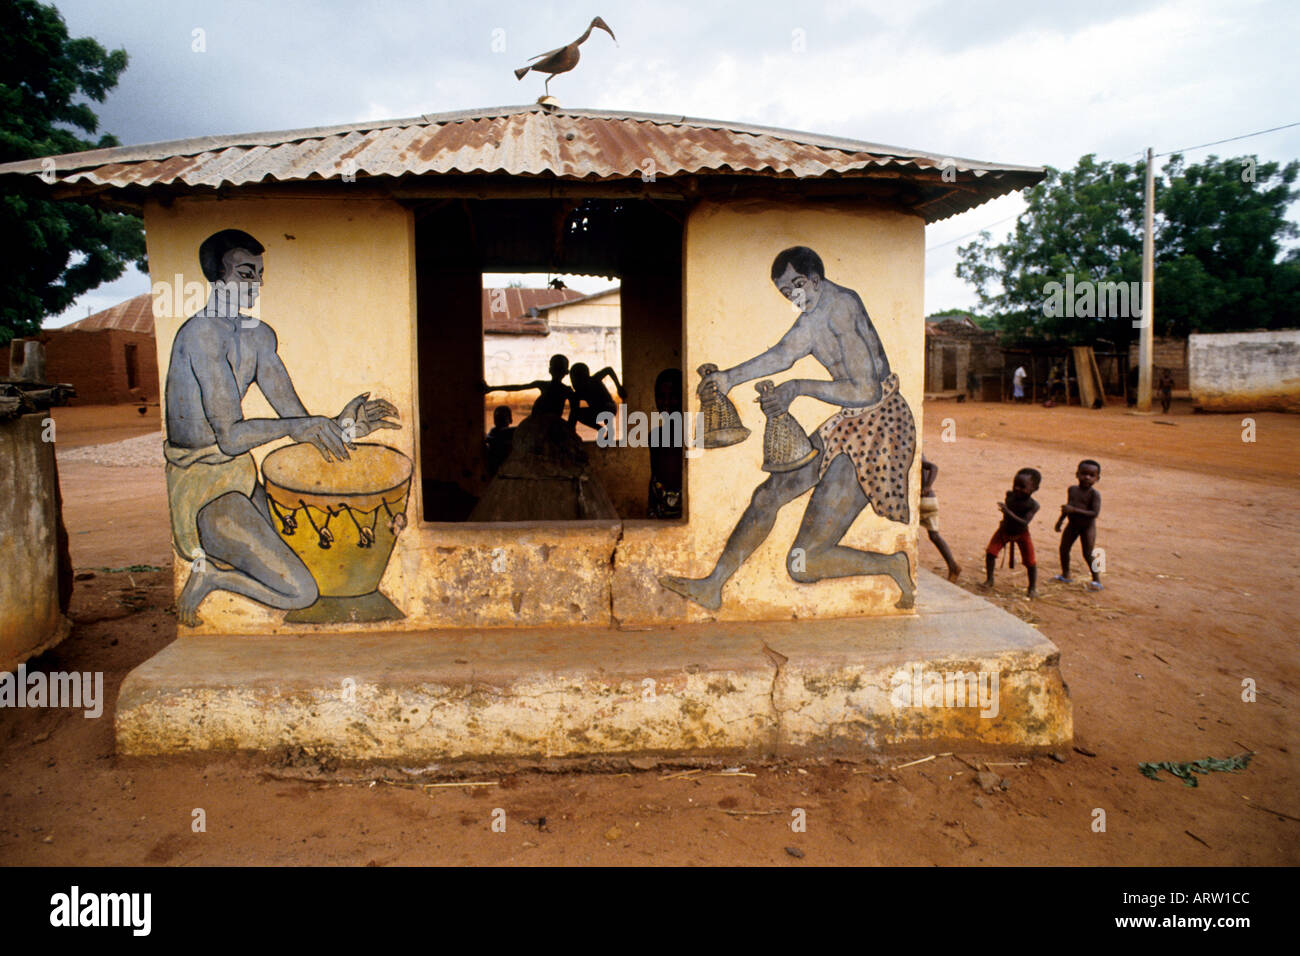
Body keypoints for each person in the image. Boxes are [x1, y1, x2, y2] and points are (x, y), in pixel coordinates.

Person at [164, 229, 400, 626]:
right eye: (245, 273)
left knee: (317, 555)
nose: (256, 284)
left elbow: (298, 424)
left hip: (238, 476)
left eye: (258, 273)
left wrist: (347, 428)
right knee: (301, 591)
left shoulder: (258, 336)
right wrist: (304, 425)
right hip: (200, 488)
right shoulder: (201, 334)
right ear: (216, 277)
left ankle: (219, 571)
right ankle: (212, 576)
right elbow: (231, 436)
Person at [659, 246, 916, 611]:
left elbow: (866, 390)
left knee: (804, 562)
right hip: (850, 424)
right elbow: (782, 354)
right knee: (769, 495)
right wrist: (728, 378)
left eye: (797, 286)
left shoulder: (841, 306)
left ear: (815, 279)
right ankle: (713, 586)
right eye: (786, 292)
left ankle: (893, 565)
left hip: (881, 432)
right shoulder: (812, 314)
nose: (794, 297)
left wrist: (797, 387)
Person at [981, 467, 1041, 598]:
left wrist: (1008, 512)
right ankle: (989, 579)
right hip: (1005, 530)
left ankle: (1032, 587)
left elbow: (1024, 522)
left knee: (1030, 561)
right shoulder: (1010, 496)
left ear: (1034, 489)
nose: (1017, 489)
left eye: (1022, 486)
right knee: (991, 552)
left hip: (1022, 533)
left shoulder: (1033, 505)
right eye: (1015, 485)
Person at [1054, 459, 1102, 590]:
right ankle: (1066, 574)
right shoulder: (1072, 489)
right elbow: (1068, 506)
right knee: (1064, 549)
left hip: (1087, 527)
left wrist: (1074, 510)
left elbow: (1094, 513)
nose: (1087, 477)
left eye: (1092, 475)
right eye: (1083, 473)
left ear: (1097, 478)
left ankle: (1096, 579)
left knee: (1088, 553)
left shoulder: (1094, 494)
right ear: (1077, 474)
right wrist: (1060, 520)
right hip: (1072, 525)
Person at [483, 353, 577, 419]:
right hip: (543, 424)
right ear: (566, 372)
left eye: (556, 369)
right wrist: (491, 389)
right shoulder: (565, 390)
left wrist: (492, 389)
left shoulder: (548, 386)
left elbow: (517, 387)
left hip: (545, 425)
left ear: (550, 370)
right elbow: (517, 387)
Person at [648, 368, 683, 519]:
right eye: (661, 396)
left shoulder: (693, 437)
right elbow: (654, 482)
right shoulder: (655, 436)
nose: (667, 402)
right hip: (661, 519)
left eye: (674, 396)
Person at [920, 456, 960, 581]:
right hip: (930, 500)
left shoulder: (913, 450)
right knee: (934, 536)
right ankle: (953, 565)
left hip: (922, 500)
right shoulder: (918, 451)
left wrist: (927, 486)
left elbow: (934, 467)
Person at [569, 362, 626, 438]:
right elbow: (574, 412)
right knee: (576, 412)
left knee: (606, 409)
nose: (573, 382)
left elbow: (608, 370)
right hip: (599, 410)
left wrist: (618, 387)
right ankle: (601, 429)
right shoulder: (579, 392)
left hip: (608, 407)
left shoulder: (593, 380)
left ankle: (608, 431)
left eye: (574, 379)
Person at [484, 405, 515, 476]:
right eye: (498, 418)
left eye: (502, 418)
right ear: (510, 419)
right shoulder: (494, 433)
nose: (500, 420)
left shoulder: (495, 433)